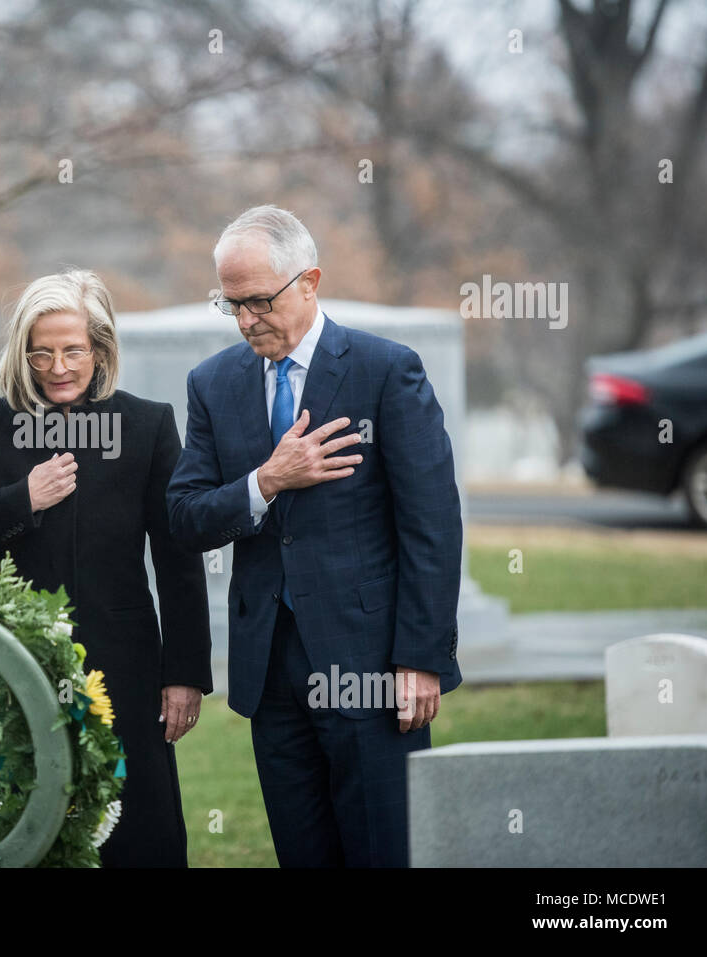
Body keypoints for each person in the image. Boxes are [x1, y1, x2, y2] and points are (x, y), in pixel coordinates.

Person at [166, 206, 463, 867]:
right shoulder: (212, 383)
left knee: (385, 850)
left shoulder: (387, 371)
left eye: (258, 301)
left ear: (310, 281)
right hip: (270, 672)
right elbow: (184, 518)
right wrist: (265, 482)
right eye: (232, 304)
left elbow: (431, 526)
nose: (246, 320)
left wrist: (423, 656)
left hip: (375, 667)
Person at [0, 269, 212, 868]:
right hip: (14, 663)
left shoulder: (149, 425)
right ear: (23, 354)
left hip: (124, 669)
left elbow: (178, 557)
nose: (58, 367)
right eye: (42, 353)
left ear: (100, 350)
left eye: (73, 351)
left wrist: (183, 673)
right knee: (25, 825)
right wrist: (20, 500)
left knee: (138, 832)